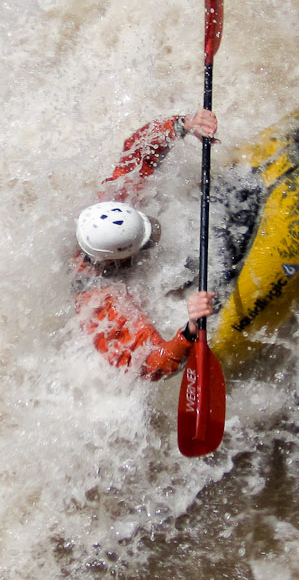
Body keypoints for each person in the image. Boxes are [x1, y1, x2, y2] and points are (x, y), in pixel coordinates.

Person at [74, 108, 219, 379]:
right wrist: (190, 328)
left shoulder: (113, 202)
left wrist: (184, 125)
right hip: (113, 290)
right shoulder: (102, 304)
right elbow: (150, 364)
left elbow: (138, 149)